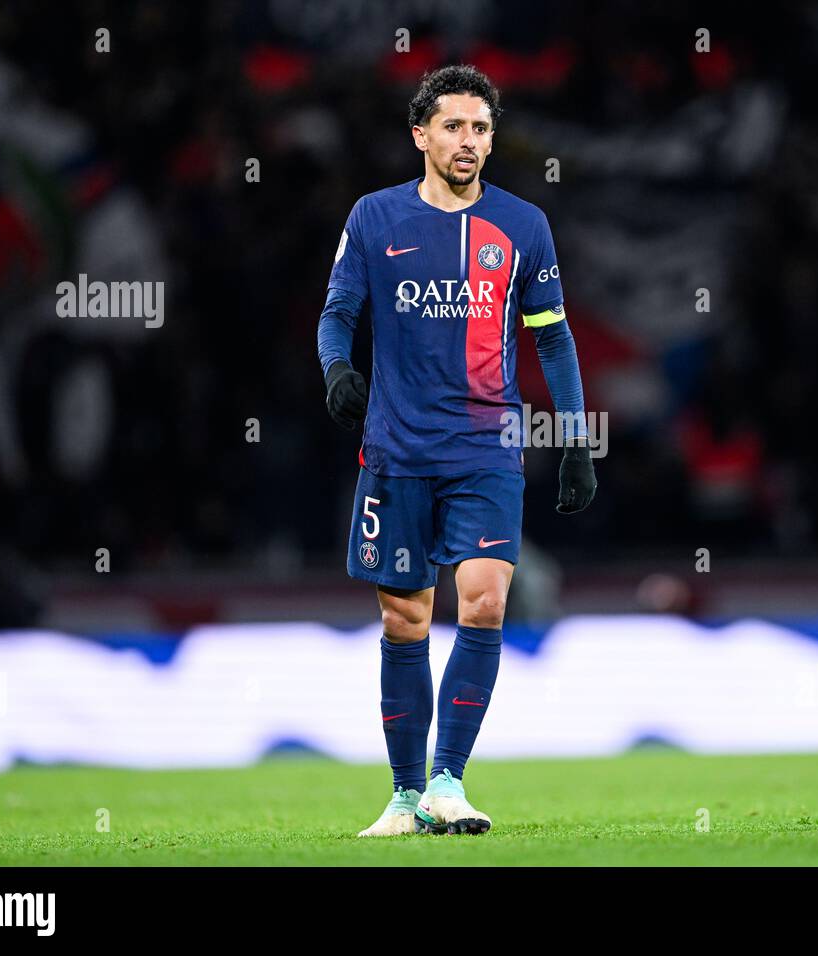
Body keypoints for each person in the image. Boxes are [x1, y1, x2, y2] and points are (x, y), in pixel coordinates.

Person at [316, 64, 596, 835]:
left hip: (486, 447)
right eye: (453, 126)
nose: (469, 141)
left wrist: (573, 440)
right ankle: (404, 798)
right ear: (421, 134)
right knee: (406, 621)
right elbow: (337, 312)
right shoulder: (375, 219)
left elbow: (555, 339)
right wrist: (337, 370)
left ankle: (448, 781)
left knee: (483, 599)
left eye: (480, 128)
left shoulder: (523, 226)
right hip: (396, 451)